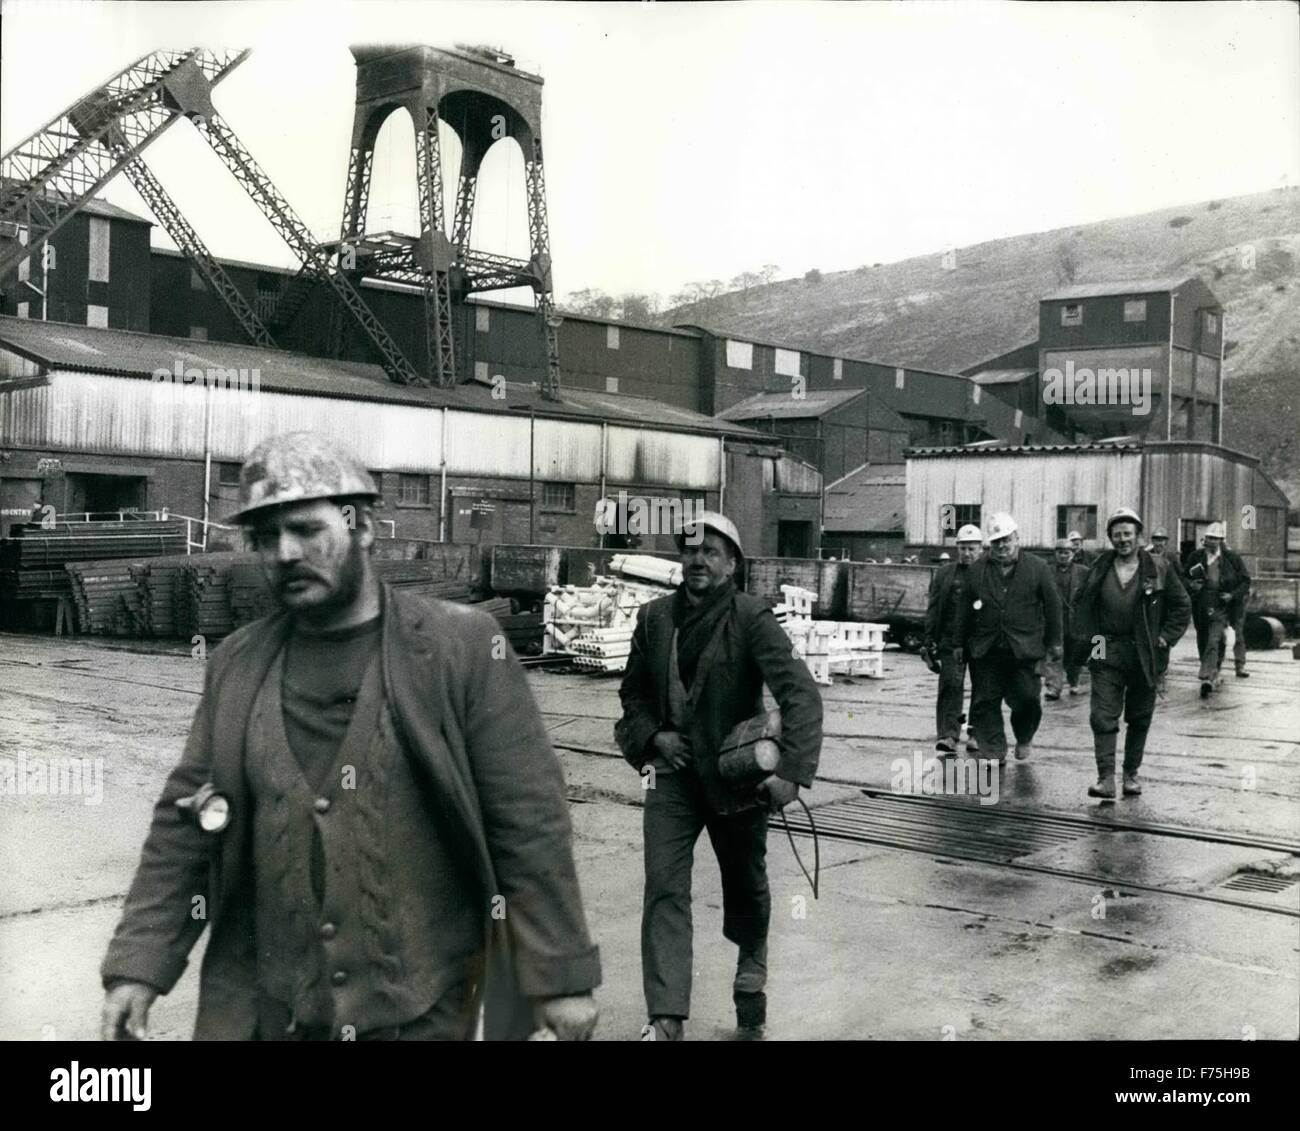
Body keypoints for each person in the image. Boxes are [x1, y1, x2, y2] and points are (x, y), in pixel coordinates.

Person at [101, 432, 601, 1042]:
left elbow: (527, 819)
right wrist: (138, 967)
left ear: (361, 526)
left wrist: (559, 976)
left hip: (423, 1014)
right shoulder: (237, 662)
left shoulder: (461, 648)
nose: (284, 552)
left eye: (306, 530)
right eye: (265, 536)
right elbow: (186, 824)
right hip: (269, 1015)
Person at [615, 511, 822, 1041]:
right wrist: (654, 738)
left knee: (747, 886)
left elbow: (801, 695)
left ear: (731, 565)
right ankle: (666, 1017)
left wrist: (791, 774)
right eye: (690, 550)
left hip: (736, 777)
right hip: (672, 776)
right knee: (664, 886)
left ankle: (750, 975)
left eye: (711, 552)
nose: (698, 560)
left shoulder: (752, 618)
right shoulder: (654, 618)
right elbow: (633, 695)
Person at [1072, 508, 1190, 799]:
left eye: (1128, 534)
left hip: (1145, 652)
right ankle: (1105, 779)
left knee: (1139, 716)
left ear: (1138, 536)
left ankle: (1131, 774)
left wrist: (1165, 638)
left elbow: (1181, 605)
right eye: (1117, 534)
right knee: (1102, 715)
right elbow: (1082, 604)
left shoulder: (1159, 568)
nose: (1122, 539)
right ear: (1110, 537)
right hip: (1105, 647)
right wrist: (1091, 645)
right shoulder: (1100, 566)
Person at [953, 513, 1062, 765]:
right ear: (990, 543)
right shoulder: (977, 570)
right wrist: (958, 643)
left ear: (1017, 538)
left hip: (1024, 649)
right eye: (996, 541)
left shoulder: (1038, 568)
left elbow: (1053, 607)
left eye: (1007, 539)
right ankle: (994, 750)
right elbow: (964, 609)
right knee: (985, 701)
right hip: (986, 649)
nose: (1002, 546)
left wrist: (1055, 642)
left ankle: (1024, 736)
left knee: (1027, 699)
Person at [923, 524, 983, 755]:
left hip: (981, 640)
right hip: (950, 639)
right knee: (950, 686)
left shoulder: (990, 573)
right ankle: (948, 735)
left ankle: (977, 734)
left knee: (983, 688)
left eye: (971, 548)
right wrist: (929, 638)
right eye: (962, 548)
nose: (967, 553)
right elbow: (934, 607)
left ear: (980, 549)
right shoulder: (945, 573)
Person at [1184, 522, 1252, 696]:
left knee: (1213, 638)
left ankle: (1207, 676)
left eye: (1216, 538)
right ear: (1205, 539)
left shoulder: (1232, 558)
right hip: (1201, 604)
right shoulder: (1196, 556)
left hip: (1221, 605)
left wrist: (1232, 595)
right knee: (1203, 638)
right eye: (1209, 538)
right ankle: (1213, 671)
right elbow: (1183, 577)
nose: (1212, 541)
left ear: (1221, 540)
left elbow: (1245, 581)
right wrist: (1192, 584)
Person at [1044, 538, 1088, 699]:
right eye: (1060, 552)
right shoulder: (1046, 571)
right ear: (1055, 554)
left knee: (1073, 653)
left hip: (1074, 620)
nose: (1063, 556)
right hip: (1054, 620)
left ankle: (1074, 681)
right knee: (1054, 653)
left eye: (1067, 552)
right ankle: (1053, 687)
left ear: (1073, 554)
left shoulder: (1083, 572)